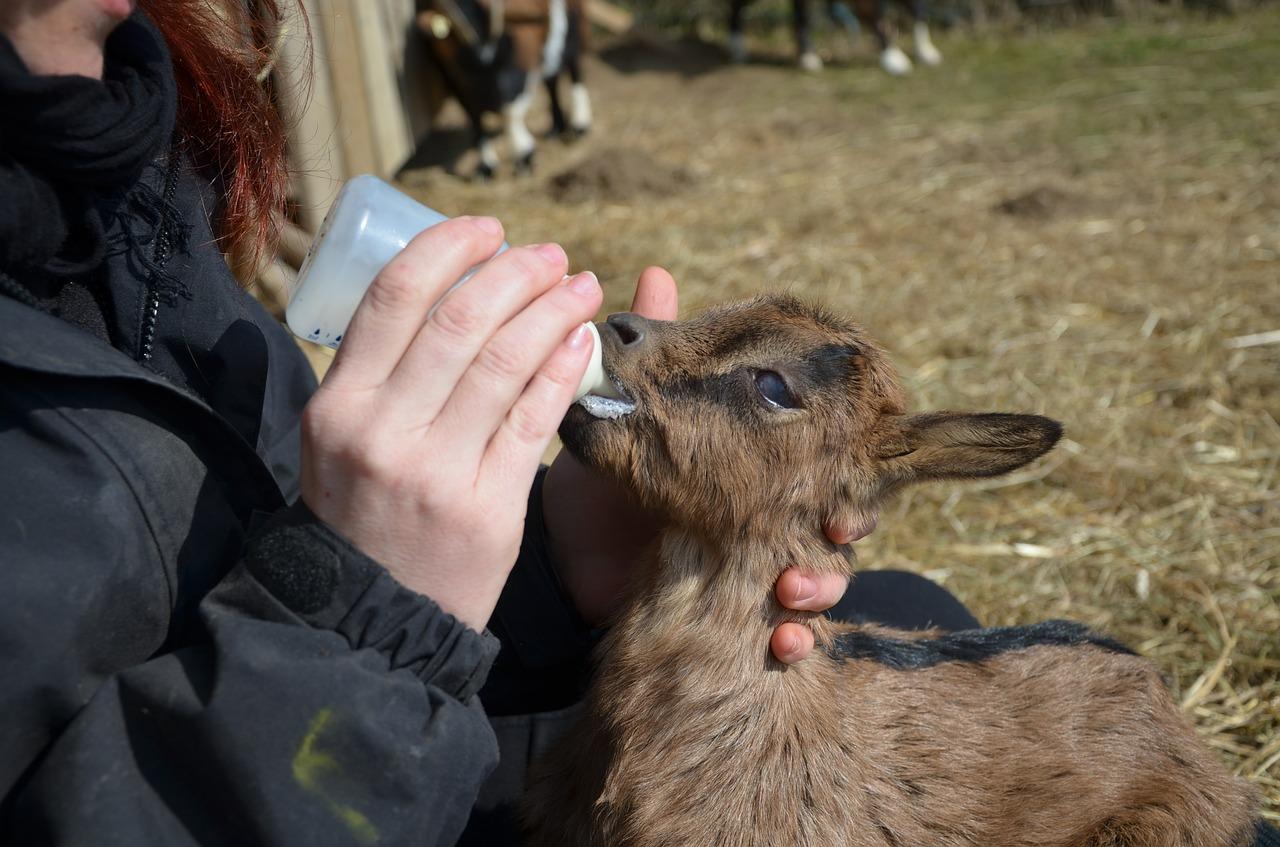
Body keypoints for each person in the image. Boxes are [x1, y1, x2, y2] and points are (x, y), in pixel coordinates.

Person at [0, 1, 977, 844]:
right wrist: (364, 622)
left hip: (345, 738)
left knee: (902, 607)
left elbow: (254, 527)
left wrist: (547, 572)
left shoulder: (103, 161)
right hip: (305, 767)